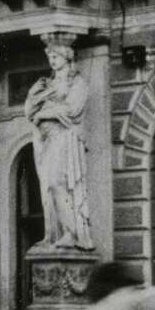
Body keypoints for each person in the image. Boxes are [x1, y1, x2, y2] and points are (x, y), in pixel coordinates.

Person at [24, 40, 94, 251]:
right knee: (47, 188)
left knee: (57, 182)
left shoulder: (77, 82)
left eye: (55, 56)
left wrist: (45, 113)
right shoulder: (46, 84)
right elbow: (29, 110)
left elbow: (72, 110)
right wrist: (37, 97)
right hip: (44, 141)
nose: (52, 61)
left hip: (64, 138)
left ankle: (71, 233)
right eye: (50, 57)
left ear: (66, 56)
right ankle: (53, 235)